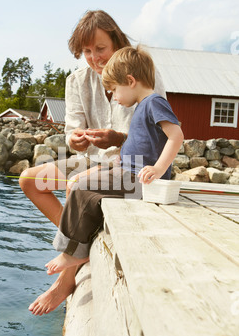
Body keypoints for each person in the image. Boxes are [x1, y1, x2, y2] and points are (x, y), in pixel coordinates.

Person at [22, 10, 166, 316]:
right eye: (86, 51)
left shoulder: (143, 73)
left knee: (77, 184)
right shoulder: (76, 80)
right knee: (29, 180)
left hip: (130, 165)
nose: (94, 58)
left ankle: (66, 278)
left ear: (116, 40)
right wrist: (74, 139)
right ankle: (81, 243)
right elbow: (72, 128)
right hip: (87, 160)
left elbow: (156, 136)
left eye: (100, 48)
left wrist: (116, 138)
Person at [45, 45, 184, 275]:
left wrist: (158, 169)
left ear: (130, 81)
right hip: (127, 171)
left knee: (80, 187)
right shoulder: (143, 105)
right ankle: (79, 247)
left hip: (138, 178)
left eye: (115, 90)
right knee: (78, 180)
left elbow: (176, 135)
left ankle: (71, 254)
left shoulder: (153, 102)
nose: (115, 97)